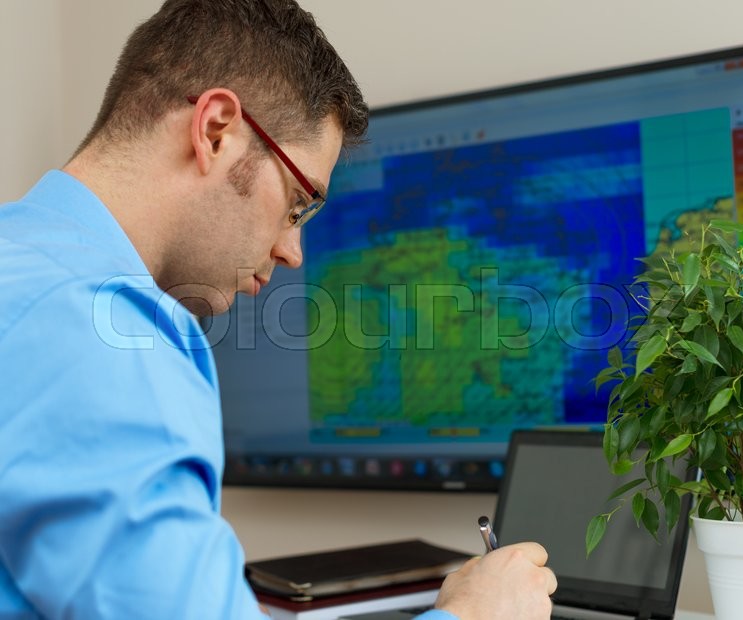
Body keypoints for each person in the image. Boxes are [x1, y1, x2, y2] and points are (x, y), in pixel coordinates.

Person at [0, 1, 557, 618]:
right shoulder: (106, 336)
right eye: (298, 202)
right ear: (215, 129)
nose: (293, 252)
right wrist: (473, 615)